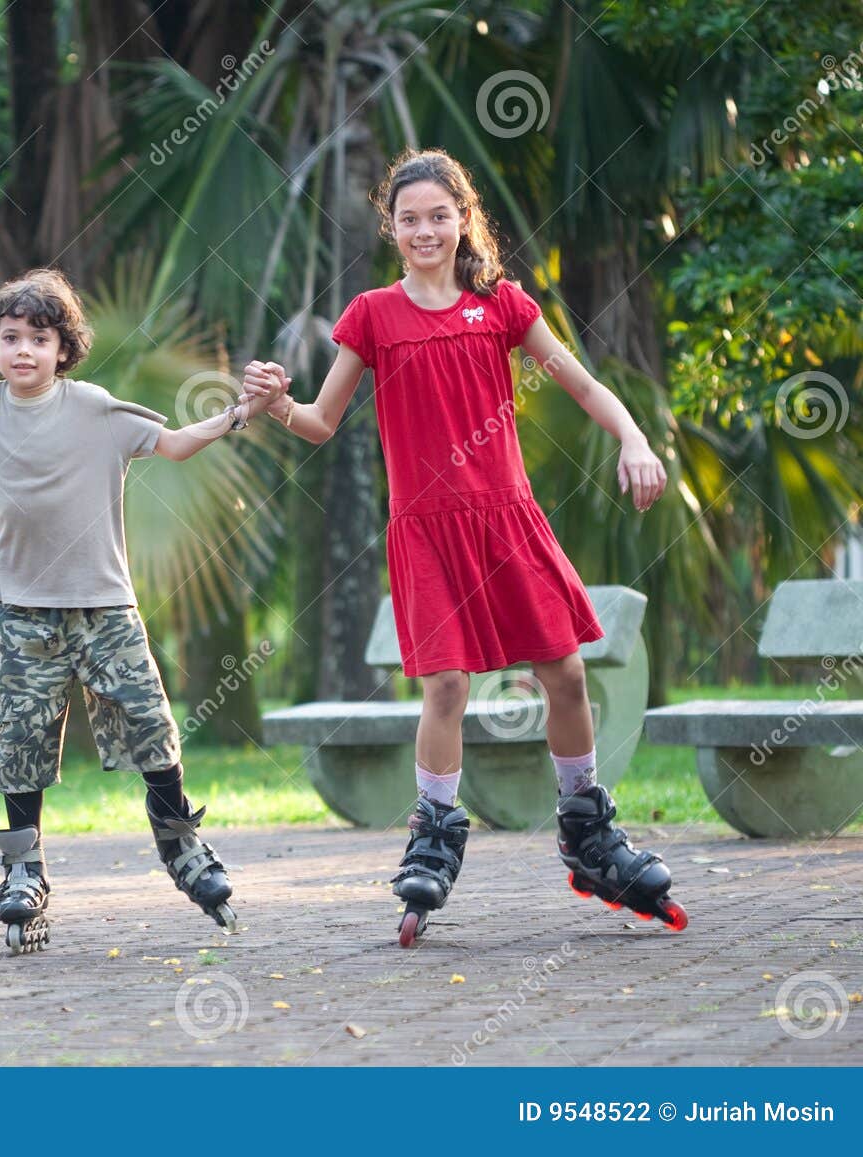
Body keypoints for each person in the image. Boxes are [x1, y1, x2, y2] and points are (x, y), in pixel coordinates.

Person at [244, 148, 687, 946]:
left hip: (506, 517)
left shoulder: (503, 305)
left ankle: (585, 827)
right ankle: (434, 833)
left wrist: (632, 438)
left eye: (439, 216)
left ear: (463, 219)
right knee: (445, 685)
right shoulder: (373, 315)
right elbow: (319, 421)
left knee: (566, 671)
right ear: (393, 227)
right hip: (427, 528)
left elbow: (581, 381)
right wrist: (277, 403)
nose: (425, 230)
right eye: (409, 218)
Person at [0, 267, 264, 953]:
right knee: (19, 743)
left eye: (40, 338)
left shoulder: (94, 408)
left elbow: (172, 444)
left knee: (153, 726)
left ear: (63, 348)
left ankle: (181, 844)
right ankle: (23, 868)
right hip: (25, 612)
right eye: (10, 337)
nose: (24, 350)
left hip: (104, 605)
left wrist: (240, 412)